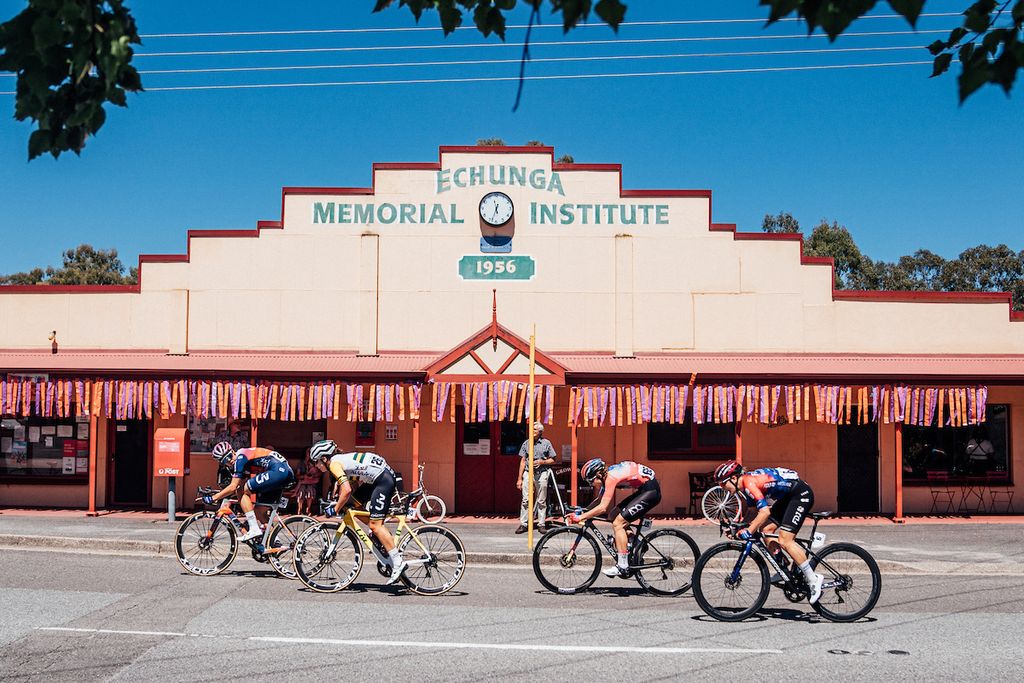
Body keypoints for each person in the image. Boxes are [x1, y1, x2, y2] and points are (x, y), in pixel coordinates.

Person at [712, 460, 824, 603]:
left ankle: (814, 579)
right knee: (766, 529)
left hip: (800, 494)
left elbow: (764, 512)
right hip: (788, 497)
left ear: (733, 478)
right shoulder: (744, 486)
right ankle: (784, 568)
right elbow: (753, 511)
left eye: (723, 483)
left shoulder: (749, 483)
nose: (722, 487)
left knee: (785, 540)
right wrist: (738, 527)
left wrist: (749, 531)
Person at [308, 439, 408, 586]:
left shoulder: (334, 464)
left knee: (375, 525)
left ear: (323, 458)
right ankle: (379, 535)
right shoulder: (339, 460)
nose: (316, 466)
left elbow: (347, 490)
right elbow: (351, 487)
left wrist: (335, 509)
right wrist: (340, 503)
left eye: (316, 462)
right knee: (352, 506)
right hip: (377, 478)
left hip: (382, 480)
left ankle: (398, 562)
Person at [567, 458, 661, 578]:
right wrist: (583, 511)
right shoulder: (606, 475)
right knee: (613, 515)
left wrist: (581, 517)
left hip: (651, 492)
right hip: (644, 490)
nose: (591, 485)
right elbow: (599, 500)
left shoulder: (610, 477)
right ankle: (636, 544)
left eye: (591, 481)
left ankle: (622, 565)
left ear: (598, 475)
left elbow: (602, 508)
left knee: (618, 523)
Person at [203, 442, 295, 542]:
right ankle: (275, 542)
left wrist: (213, 497)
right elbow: (238, 485)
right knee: (259, 511)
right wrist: (221, 493)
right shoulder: (241, 462)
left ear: (233, 451)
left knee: (241, 490)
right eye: (225, 460)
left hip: (277, 470)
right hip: (283, 472)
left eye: (229, 456)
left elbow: (234, 487)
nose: (229, 460)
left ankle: (254, 528)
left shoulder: (240, 457)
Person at [515, 421, 557, 534]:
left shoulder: (546, 443)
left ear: (540, 431)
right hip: (528, 472)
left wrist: (542, 462)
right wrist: (519, 478)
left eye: (534, 429)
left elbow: (553, 459)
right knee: (526, 499)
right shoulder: (526, 443)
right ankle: (524, 524)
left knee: (541, 500)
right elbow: (523, 461)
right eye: (531, 429)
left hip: (542, 473)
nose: (532, 431)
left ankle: (541, 524)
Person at [295, 452, 322, 517]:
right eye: (308, 452)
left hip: (311, 482)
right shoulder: (301, 463)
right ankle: (300, 509)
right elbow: (297, 475)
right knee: (301, 491)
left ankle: (308, 509)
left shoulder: (314, 462)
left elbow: (319, 473)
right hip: (303, 481)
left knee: (310, 491)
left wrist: (313, 475)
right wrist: (304, 476)